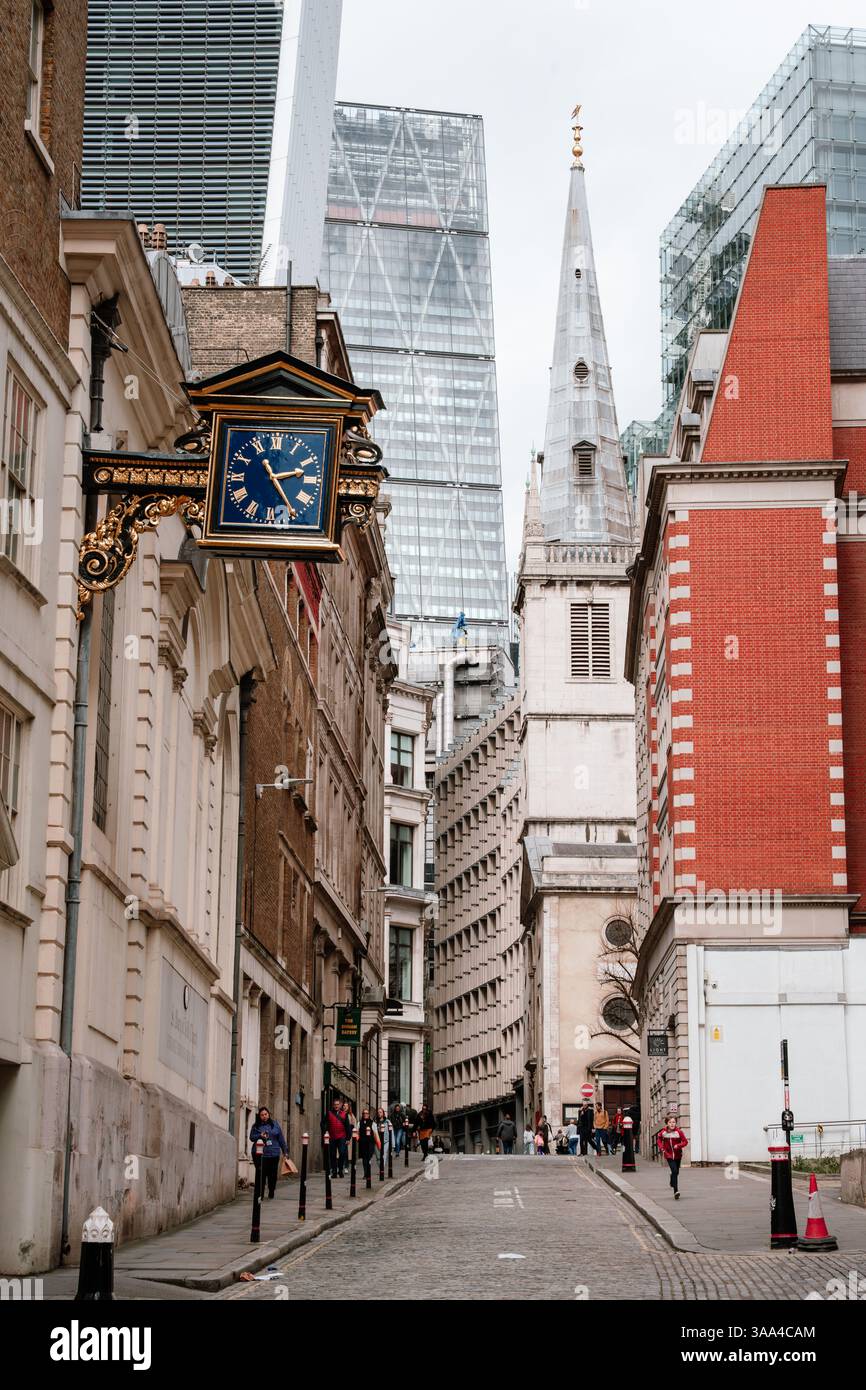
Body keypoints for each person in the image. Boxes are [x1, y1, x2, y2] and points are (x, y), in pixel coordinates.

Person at [249, 1105, 288, 1199]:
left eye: (265, 1114)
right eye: (262, 1115)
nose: (264, 1116)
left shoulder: (275, 1125)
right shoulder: (256, 1126)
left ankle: (271, 1191)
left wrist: (285, 1152)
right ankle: (260, 1194)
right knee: (261, 1174)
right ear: (259, 1116)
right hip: (260, 1154)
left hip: (274, 1154)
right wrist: (260, 1135)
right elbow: (251, 1137)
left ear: (268, 1114)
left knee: (272, 1175)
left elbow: (281, 1139)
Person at [657, 1114, 688, 1198]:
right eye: (670, 1122)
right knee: (674, 1171)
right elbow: (659, 1140)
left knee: (676, 1172)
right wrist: (662, 1148)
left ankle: (672, 1179)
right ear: (667, 1123)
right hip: (669, 1155)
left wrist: (678, 1145)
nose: (672, 1124)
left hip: (678, 1155)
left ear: (676, 1123)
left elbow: (685, 1142)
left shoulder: (679, 1132)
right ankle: (676, 1191)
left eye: (673, 1122)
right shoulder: (663, 1132)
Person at [323, 1099, 348, 1177]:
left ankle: (340, 1170)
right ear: (333, 1105)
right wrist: (326, 1131)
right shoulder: (329, 1113)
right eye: (335, 1104)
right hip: (332, 1137)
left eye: (338, 1104)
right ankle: (334, 1171)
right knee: (332, 1154)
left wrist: (348, 1138)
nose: (336, 1106)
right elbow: (323, 1123)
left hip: (342, 1137)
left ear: (340, 1105)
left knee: (342, 1153)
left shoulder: (344, 1114)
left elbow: (347, 1126)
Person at [357, 1106, 379, 1184]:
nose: (365, 1114)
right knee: (364, 1159)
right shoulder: (359, 1123)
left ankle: (368, 1173)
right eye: (364, 1113)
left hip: (370, 1143)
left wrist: (378, 1144)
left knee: (368, 1158)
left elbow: (376, 1134)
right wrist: (358, 1139)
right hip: (362, 1143)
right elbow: (357, 1133)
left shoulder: (373, 1123)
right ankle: (365, 1173)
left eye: (366, 1113)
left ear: (369, 1114)